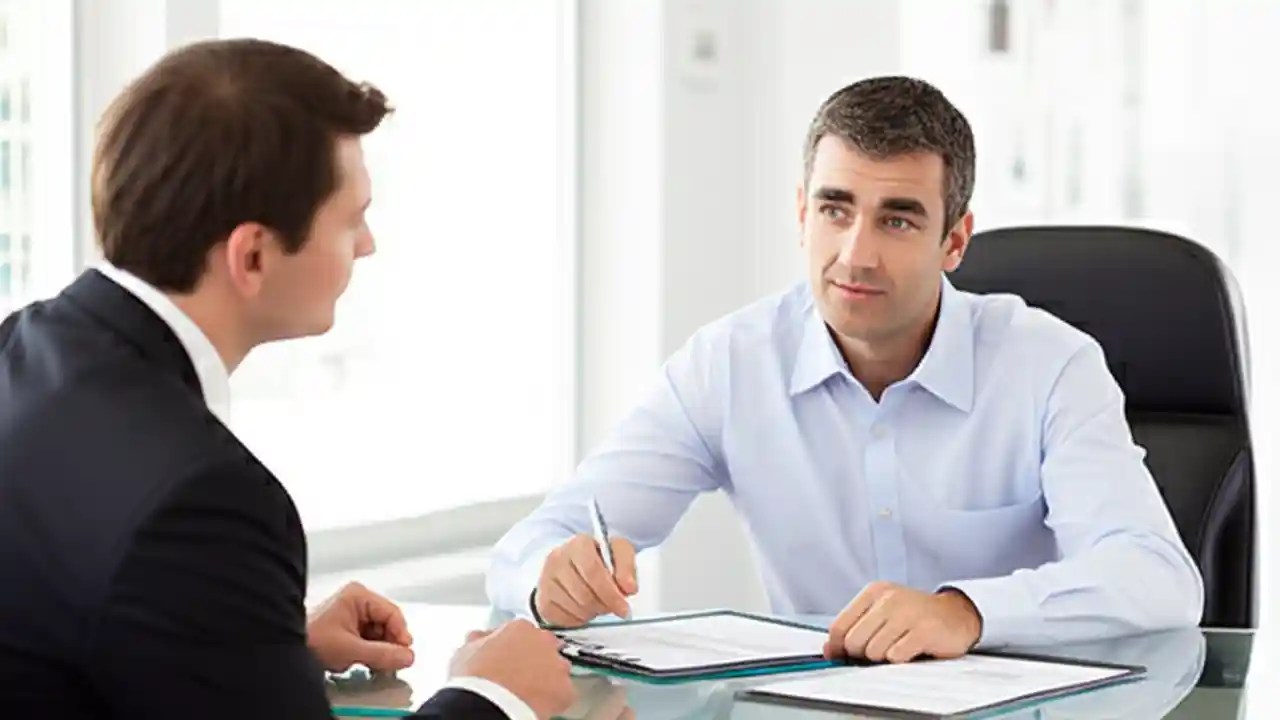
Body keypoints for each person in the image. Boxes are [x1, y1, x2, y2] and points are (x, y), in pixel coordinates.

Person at [488, 76, 1203, 663]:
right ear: (802, 215)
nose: (855, 254)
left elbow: (1158, 578)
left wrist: (967, 612)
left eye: (897, 220)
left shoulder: (1050, 366)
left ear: (955, 240)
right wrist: (549, 579)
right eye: (835, 209)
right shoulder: (730, 364)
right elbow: (531, 545)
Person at [0, 39, 574, 720]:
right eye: (352, 218)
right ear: (252, 254)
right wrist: (493, 695)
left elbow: (66, 627)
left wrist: (256, 640)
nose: (367, 244)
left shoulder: (24, 350)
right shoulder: (200, 501)